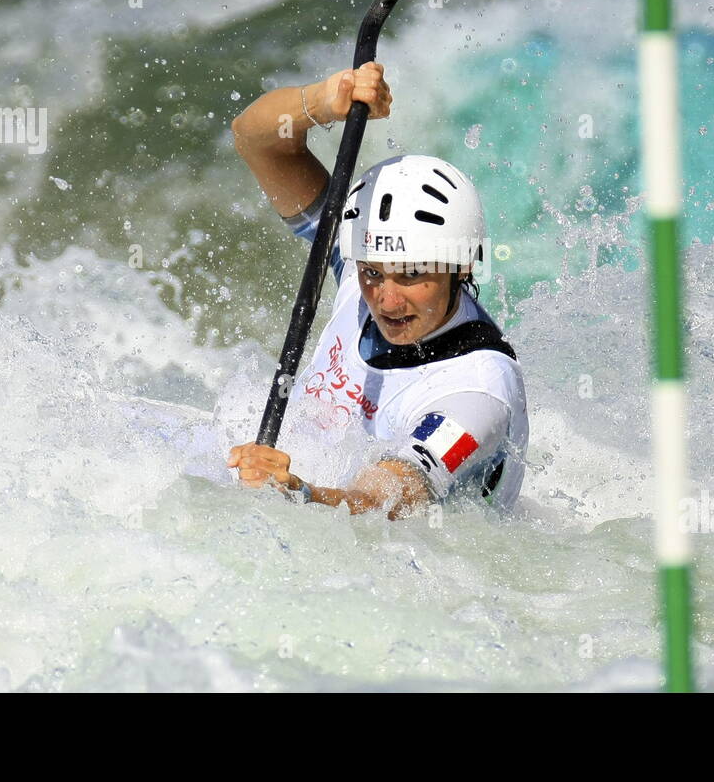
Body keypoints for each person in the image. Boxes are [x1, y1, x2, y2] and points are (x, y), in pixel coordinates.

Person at [227, 62, 529, 520]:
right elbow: (255, 140)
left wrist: (299, 494)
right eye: (372, 273)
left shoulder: (478, 393)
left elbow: (381, 503)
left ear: (462, 265)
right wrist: (325, 100)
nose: (386, 300)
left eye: (411, 275)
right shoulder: (356, 264)